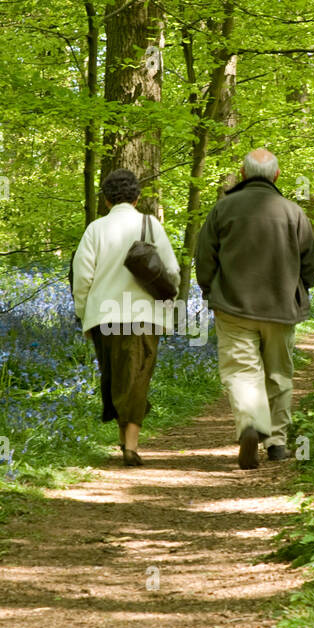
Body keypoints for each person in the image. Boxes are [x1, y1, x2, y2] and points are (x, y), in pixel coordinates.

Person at [195, 149, 314, 469]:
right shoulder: (293, 212)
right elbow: (310, 265)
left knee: (241, 372)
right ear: (276, 175)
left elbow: (205, 257)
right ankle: (277, 443)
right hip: (281, 309)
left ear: (243, 173)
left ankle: (250, 425)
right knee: (279, 374)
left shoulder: (222, 209)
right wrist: (299, 288)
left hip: (233, 307)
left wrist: (210, 290)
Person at [71, 169, 180, 467]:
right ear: (137, 197)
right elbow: (170, 271)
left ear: (106, 200)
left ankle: (124, 442)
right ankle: (130, 446)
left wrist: (84, 314)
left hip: (104, 316)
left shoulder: (95, 229)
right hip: (144, 315)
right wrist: (170, 306)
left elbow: (81, 278)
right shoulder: (151, 225)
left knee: (115, 377)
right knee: (137, 378)